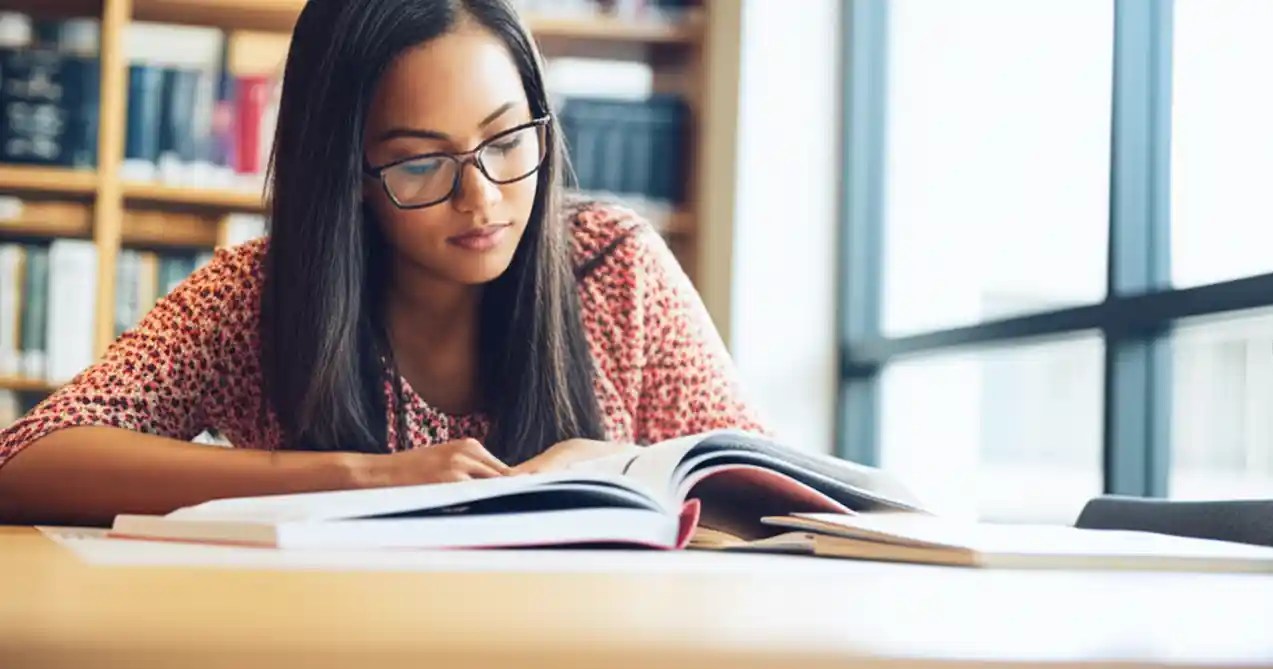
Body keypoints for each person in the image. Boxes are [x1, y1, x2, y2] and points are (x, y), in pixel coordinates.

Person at [0, 0, 765, 526]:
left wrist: (627, 471)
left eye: (505, 142)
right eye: (421, 163)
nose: (481, 197)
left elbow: (781, 500)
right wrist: (356, 479)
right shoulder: (257, 297)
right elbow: (28, 461)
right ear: (346, 177)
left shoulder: (612, 268)